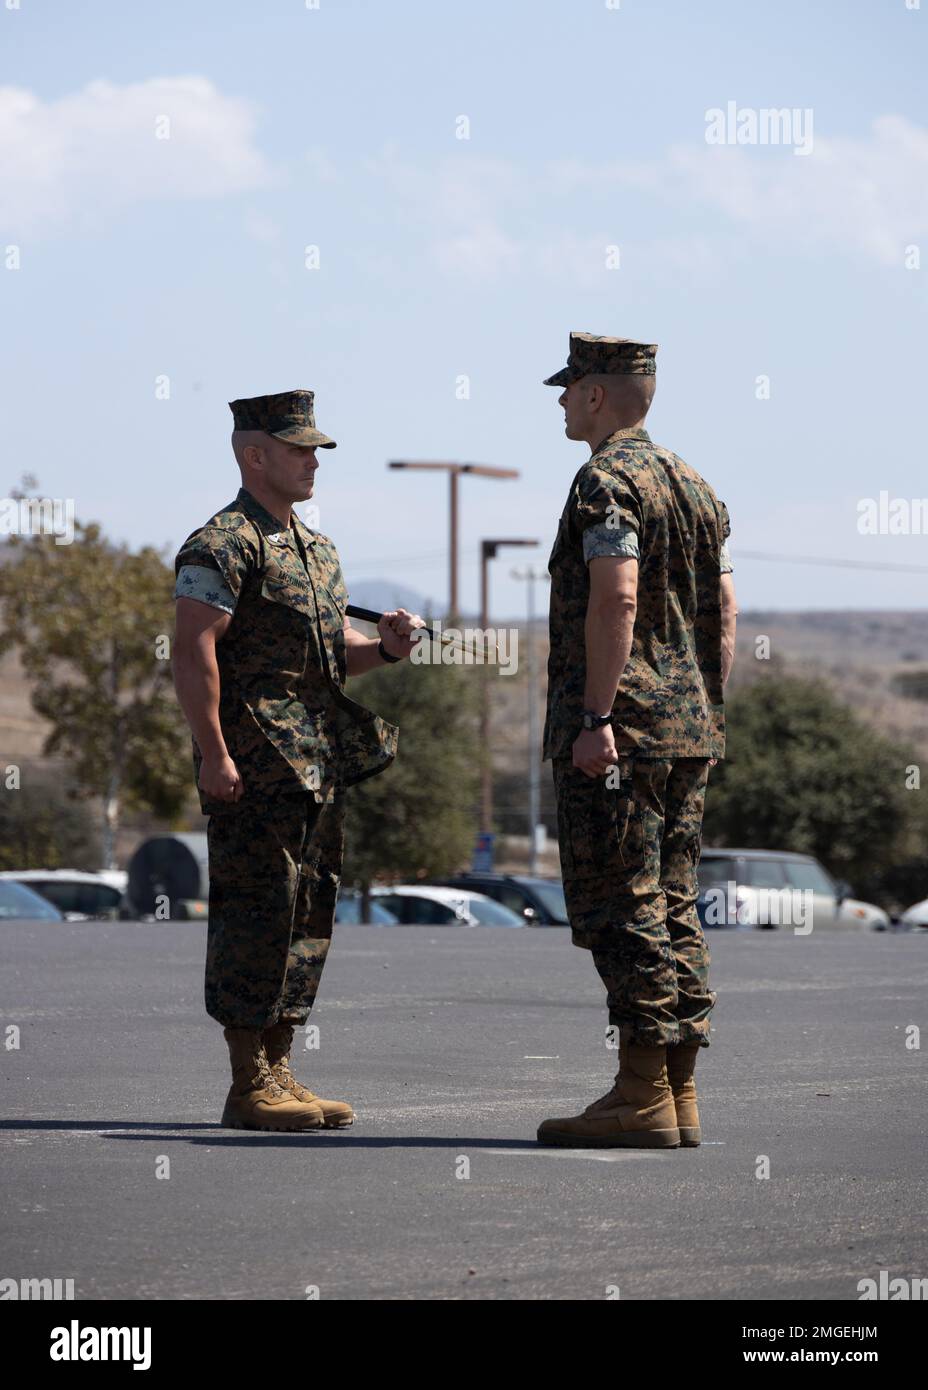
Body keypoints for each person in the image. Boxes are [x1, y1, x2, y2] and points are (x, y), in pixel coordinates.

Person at [172, 388, 422, 1131]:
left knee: (306, 913)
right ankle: (248, 1081)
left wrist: (384, 649)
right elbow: (193, 650)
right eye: (298, 448)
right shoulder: (222, 544)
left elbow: (330, 656)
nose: (314, 460)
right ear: (255, 455)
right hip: (253, 763)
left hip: (316, 761)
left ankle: (280, 1067)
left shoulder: (314, 550)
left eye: (316, 448)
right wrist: (214, 752)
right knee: (256, 911)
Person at [536, 334, 737, 1149]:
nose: (557, 403)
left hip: (622, 736)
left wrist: (595, 716)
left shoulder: (605, 481)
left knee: (625, 906)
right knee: (674, 904)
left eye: (567, 388)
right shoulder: (694, 483)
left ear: (595, 395)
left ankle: (640, 1092)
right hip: (686, 730)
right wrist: (704, 707)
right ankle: (677, 1094)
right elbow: (723, 615)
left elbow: (615, 600)